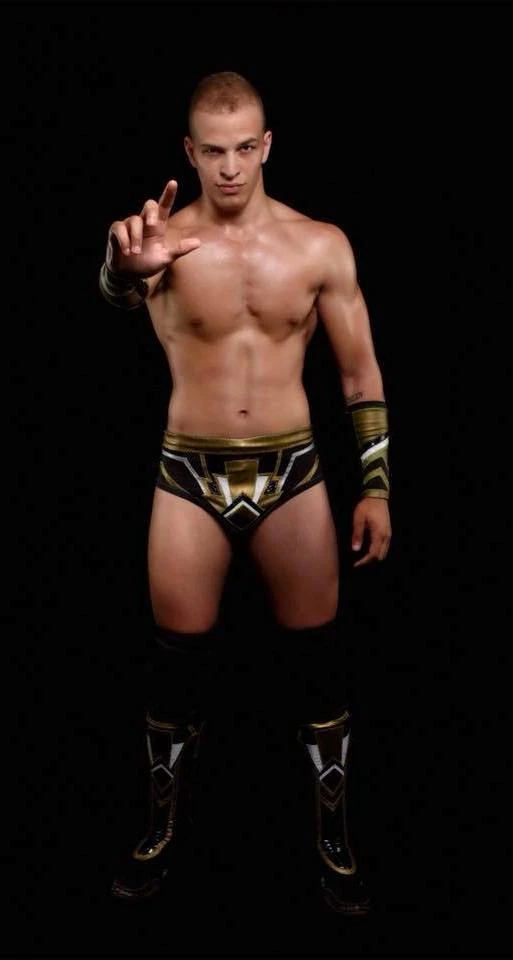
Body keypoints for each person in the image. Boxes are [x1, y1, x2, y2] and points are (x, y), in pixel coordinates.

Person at [99, 71, 391, 916]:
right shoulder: (158, 240)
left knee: (318, 662)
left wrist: (375, 488)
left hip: (292, 471)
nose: (228, 168)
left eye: (242, 149)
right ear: (189, 152)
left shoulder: (319, 245)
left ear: (265, 146)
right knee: (174, 664)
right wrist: (121, 271)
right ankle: (158, 834)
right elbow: (117, 290)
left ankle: (333, 840)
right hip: (187, 472)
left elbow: (359, 374)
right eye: (212, 151)